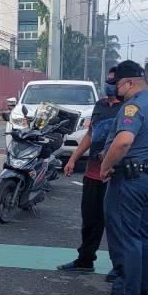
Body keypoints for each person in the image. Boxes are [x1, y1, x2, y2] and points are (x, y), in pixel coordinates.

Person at [95, 61, 148, 295]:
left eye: (118, 84)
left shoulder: (132, 108)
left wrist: (105, 167)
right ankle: (144, 288)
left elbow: (123, 142)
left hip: (129, 179)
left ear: (129, 83)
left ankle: (126, 292)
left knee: (125, 236)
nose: (116, 89)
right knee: (142, 235)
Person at [58, 67, 122, 276]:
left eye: (114, 81)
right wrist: (74, 159)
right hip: (92, 173)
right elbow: (91, 134)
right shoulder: (100, 105)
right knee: (89, 220)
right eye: (108, 80)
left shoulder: (128, 108)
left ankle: (119, 266)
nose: (110, 84)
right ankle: (85, 259)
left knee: (114, 222)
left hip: (113, 176)